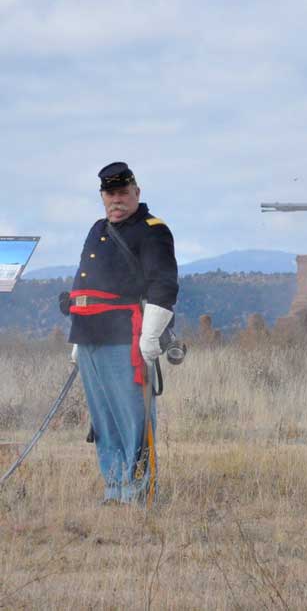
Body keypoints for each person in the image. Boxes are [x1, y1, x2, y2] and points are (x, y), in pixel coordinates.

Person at [67, 162, 178, 505]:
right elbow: (83, 279)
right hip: (90, 336)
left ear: (136, 193)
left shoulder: (152, 230)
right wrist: (77, 335)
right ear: (103, 196)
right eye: (110, 194)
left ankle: (138, 493)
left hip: (126, 337)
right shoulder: (97, 228)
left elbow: (164, 284)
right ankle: (115, 489)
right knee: (104, 422)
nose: (116, 200)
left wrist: (149, 336)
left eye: (122, 193)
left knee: (134, 422)